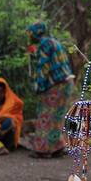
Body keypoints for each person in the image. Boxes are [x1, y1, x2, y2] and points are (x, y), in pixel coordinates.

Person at [27, 21, 75, 156]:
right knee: (56, 116)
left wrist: (39, 88)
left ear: (35, 34)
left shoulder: (44, 44)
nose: (29, 36)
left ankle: (41, 149)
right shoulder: (54, 42)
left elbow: (43, 68)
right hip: (67, 82)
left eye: (30, 33)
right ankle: (57, 147)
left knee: (45, 114)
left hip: (57, 85)